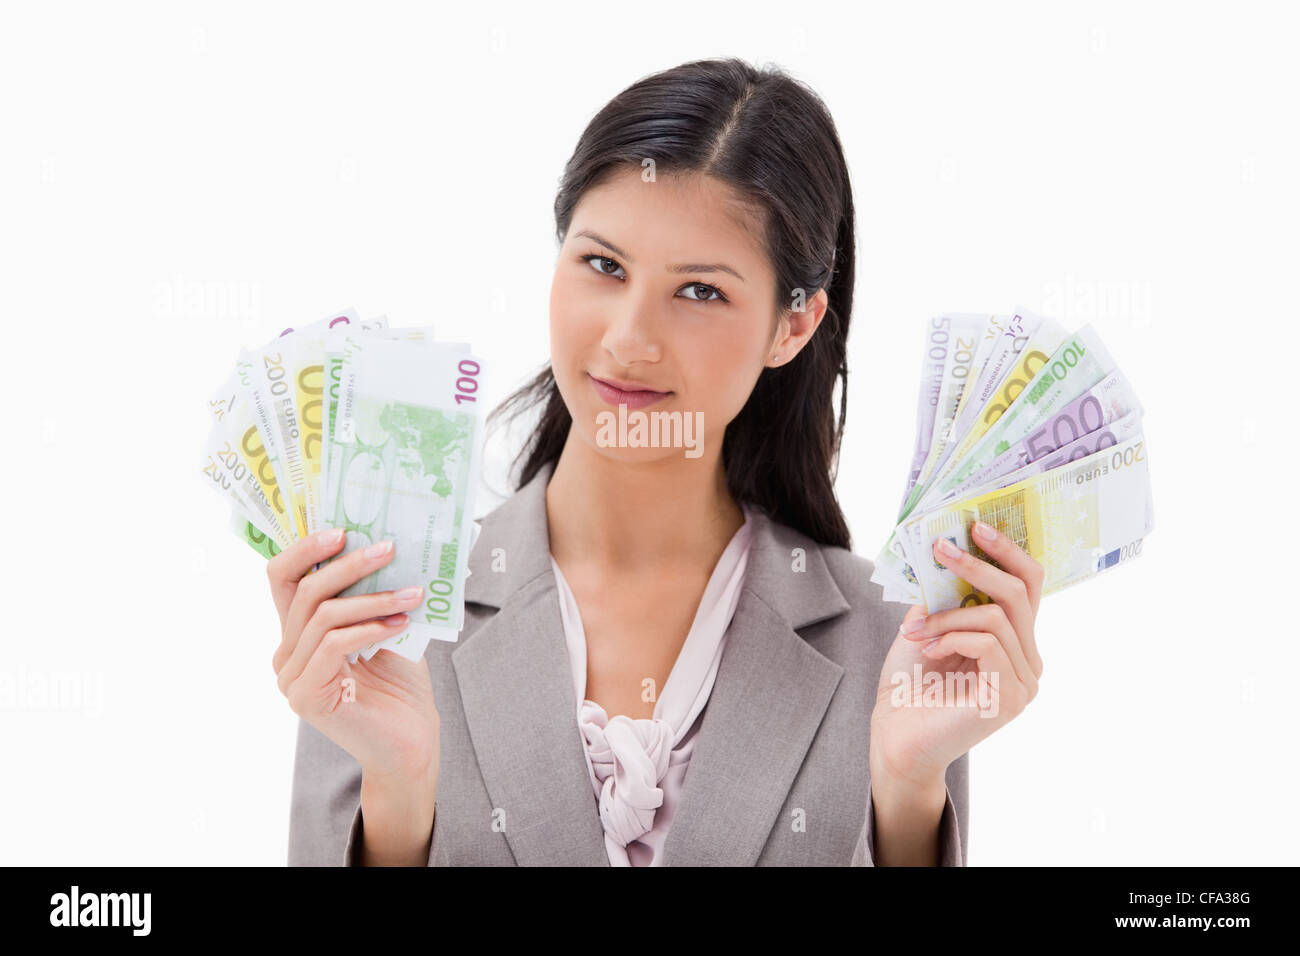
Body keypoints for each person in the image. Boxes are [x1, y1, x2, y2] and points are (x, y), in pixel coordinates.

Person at [271, 56, 1045, 866]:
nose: (628, 339)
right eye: (603, 266)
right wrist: (399, 799)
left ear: (793, 326)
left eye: (701, 291)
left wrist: (910, 793)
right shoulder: (383, 612)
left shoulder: (896, 642)